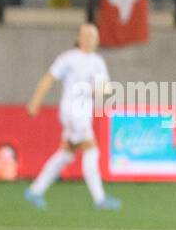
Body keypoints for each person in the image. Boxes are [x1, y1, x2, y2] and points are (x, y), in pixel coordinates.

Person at [23, 23, 121, 211]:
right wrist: (36, 101)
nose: (90, 39)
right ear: (78, 39)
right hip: (75, 112)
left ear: (98, 39)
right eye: (86, 35)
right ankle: (99, 199)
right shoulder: (68, 58)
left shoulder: (97, 62)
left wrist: (98, 89)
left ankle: (35, 191)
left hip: (79, 113)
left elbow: (104, 89)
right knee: (91, 150)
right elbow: (49, 78)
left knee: (66, 153)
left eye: (93, 35)